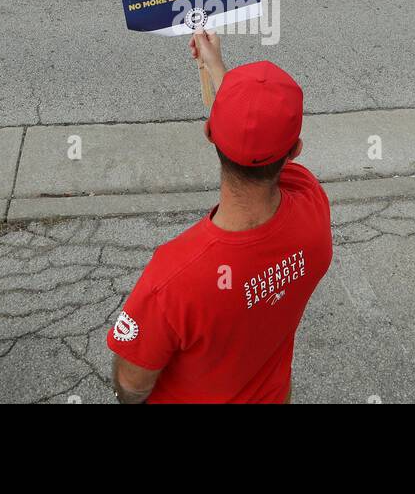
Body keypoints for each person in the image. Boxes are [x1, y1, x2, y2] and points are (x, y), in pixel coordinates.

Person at [107, 30, 333, 403]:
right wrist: (216, 66)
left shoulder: (172, 279)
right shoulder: (312, 207)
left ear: (210, 134)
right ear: (294, 150)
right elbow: (258, 133)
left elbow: (132, 385)